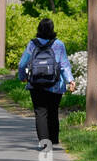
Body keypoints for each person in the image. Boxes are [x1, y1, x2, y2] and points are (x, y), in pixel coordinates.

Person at [17, 17, 76, 150]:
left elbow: (22, 64)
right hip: (55, 85)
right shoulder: (59, 44)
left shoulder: (32, 44)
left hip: (36, 85)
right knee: (53, 111)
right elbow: (64, 65)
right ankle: (53, 139)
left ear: (39, 28)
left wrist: (22, 77)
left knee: (40, 112)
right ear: (52, 29)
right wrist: (70, 80)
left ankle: (44, 142)